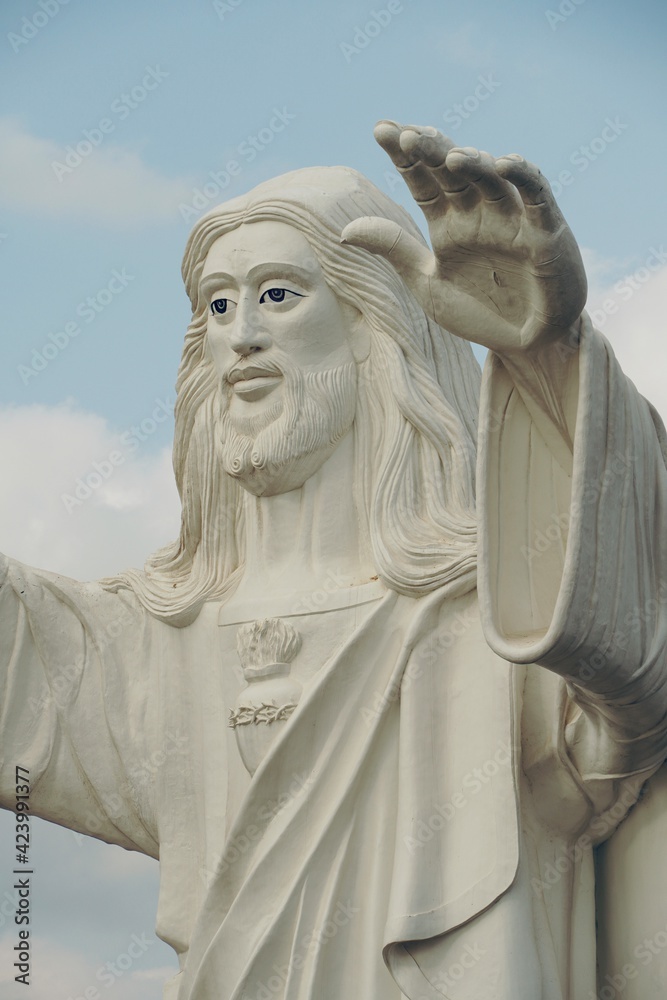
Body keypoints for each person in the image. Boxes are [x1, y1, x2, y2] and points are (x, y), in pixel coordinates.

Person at [1, 121, 666, 1000]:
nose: (240, 335)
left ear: (373, 325)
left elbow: (635, 680)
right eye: (218, 304)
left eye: (277, 294)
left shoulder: (498, 611)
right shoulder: (154, 637)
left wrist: (543, 352)